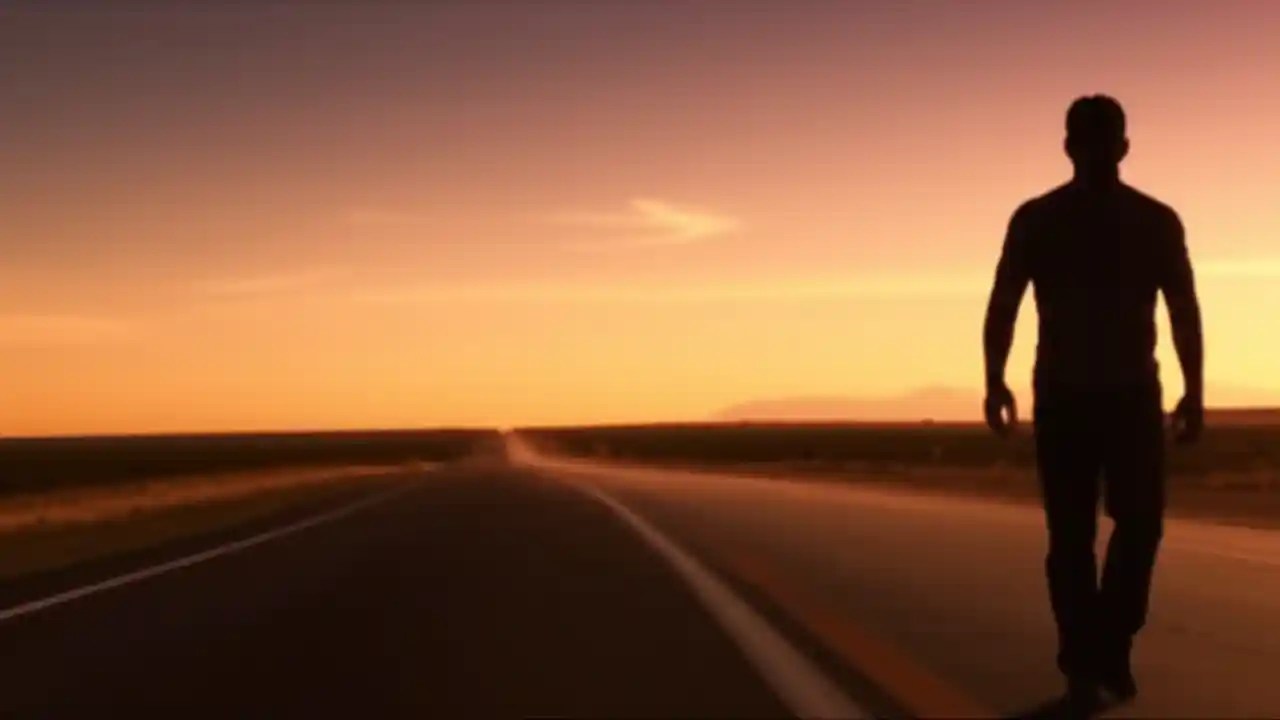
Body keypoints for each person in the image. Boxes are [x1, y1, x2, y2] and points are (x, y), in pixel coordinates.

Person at [982, 95, 1204, 709]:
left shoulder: (1045, 219)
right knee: (1110, 532)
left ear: (1068, 146)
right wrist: (1195, 391)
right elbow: (1183, 312)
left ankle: (1096, 653)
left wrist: (995, 379)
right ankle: (1097, 655)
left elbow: (1003, 305)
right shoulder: (1145, 220)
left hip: (1094, 396)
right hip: (1103, 396)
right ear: (1122, 146)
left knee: (1090, 535)